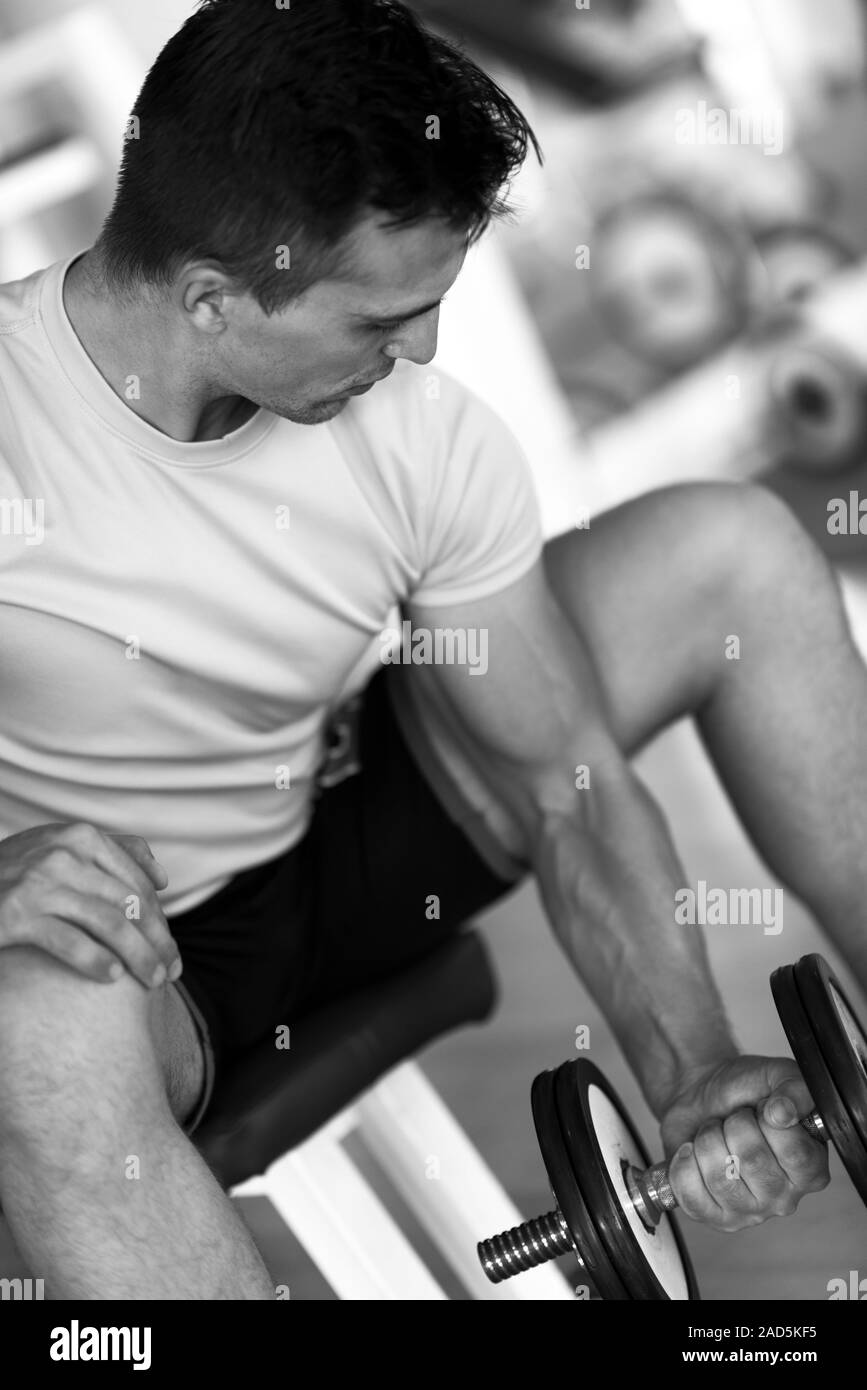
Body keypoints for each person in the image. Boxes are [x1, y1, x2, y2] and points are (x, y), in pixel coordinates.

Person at [0, 0, 857, 1300]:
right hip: (134, 959)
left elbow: (562, 776)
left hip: (345, 824)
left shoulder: (416, 432)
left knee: (729, 550)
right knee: (32, 1029)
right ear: (212, 298)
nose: (425, 351)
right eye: (378, 320)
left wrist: (693, 1072)